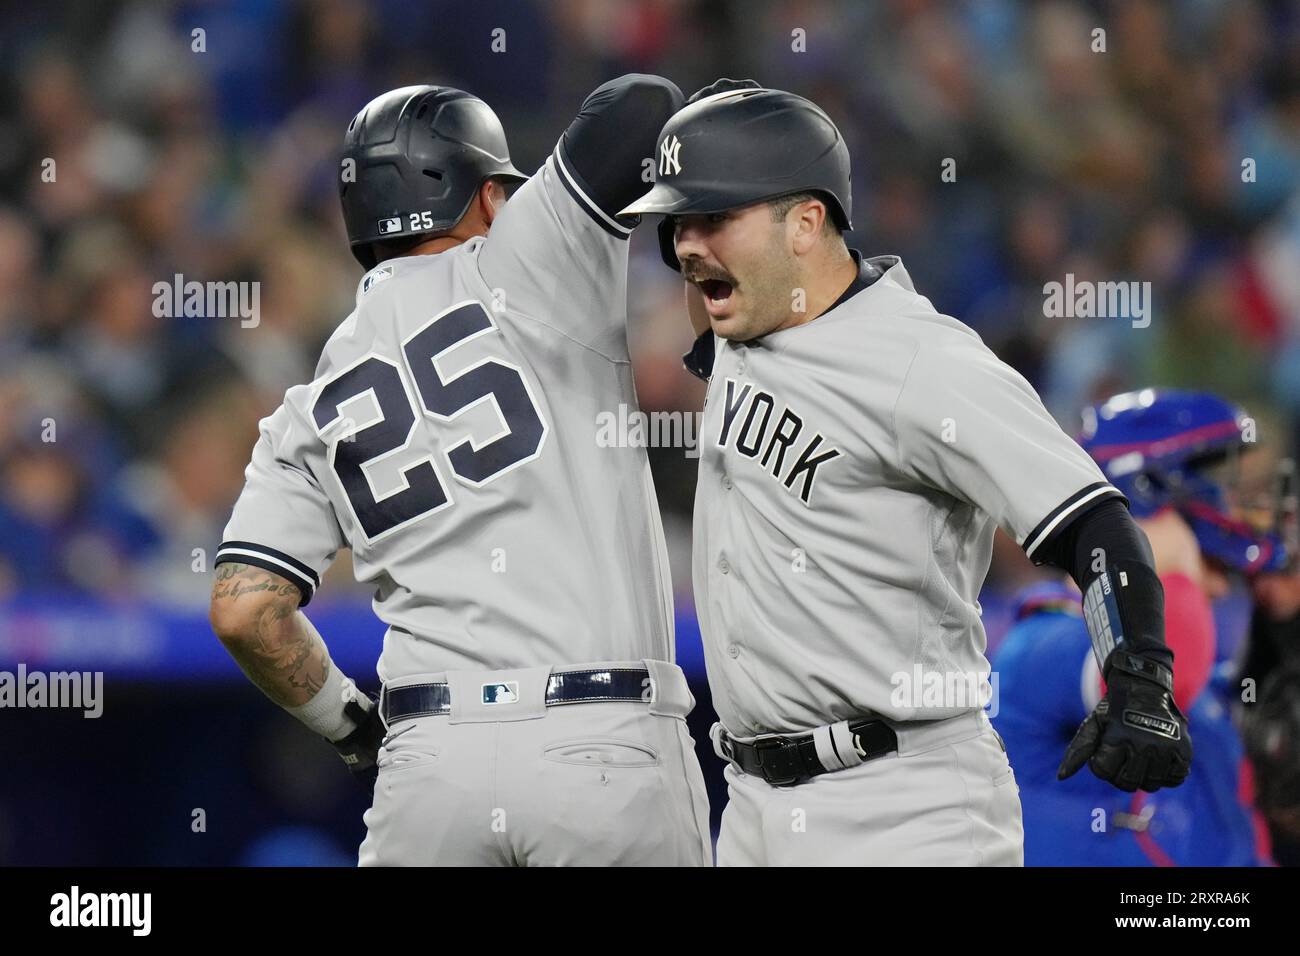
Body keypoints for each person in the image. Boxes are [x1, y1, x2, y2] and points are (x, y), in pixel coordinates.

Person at [621, 80, 1191, 866]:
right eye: (678, 222)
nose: (686, 244)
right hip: (751, 807)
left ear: (806, 224)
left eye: (714, 216)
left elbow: (1091, 519)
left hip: (904, 804)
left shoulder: (924, 362)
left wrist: (1142, 681)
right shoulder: (737, 327)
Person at [209, 78, 713, 866]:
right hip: (599, 743)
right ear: (485, 199)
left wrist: (351, 724)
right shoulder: (529, 258)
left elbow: (245, 611)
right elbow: (641, 103)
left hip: (427, 769)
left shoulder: (310, 404)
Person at [995, 388, 1279, 865]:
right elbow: (1150, 688)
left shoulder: (1216, 690)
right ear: (1156, 498)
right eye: (1215, 482)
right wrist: (1169, 569)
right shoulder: (1042, 643)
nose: (1235, 507)